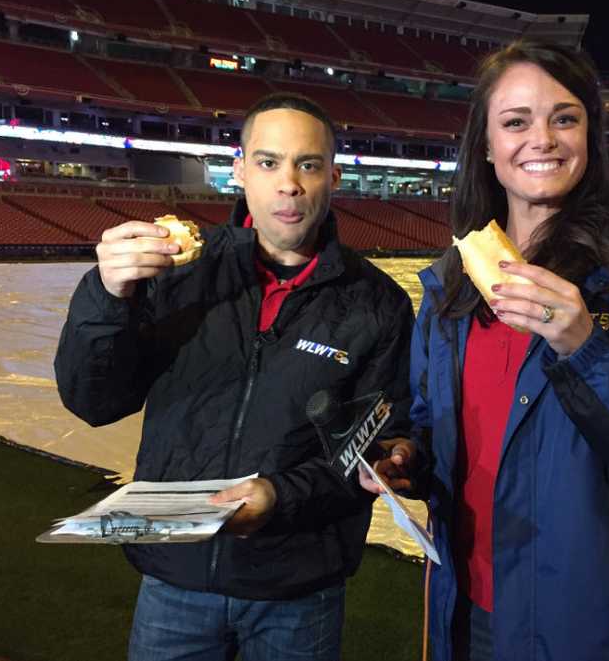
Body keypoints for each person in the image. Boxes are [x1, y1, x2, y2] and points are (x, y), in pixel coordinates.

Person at [361, 40, 609, 661]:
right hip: (468, 608)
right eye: (516, 122)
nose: (544, 139)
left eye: (565, 118)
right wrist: (407, 457)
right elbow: (436, 429)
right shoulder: (452, 281)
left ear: (590, 132)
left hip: (589, 624)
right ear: (485, 145)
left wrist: (585, 346)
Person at [55, 92, 413, 661]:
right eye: (269, 163)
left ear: (333, 177)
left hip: (298, 589)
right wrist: (107, 296)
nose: (288, 183)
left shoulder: (378, 304)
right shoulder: (178, 274)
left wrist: (281, 495)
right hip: (176, 580)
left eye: (309, 164)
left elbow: (369, 453)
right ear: (240, 170)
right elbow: (93, 402)